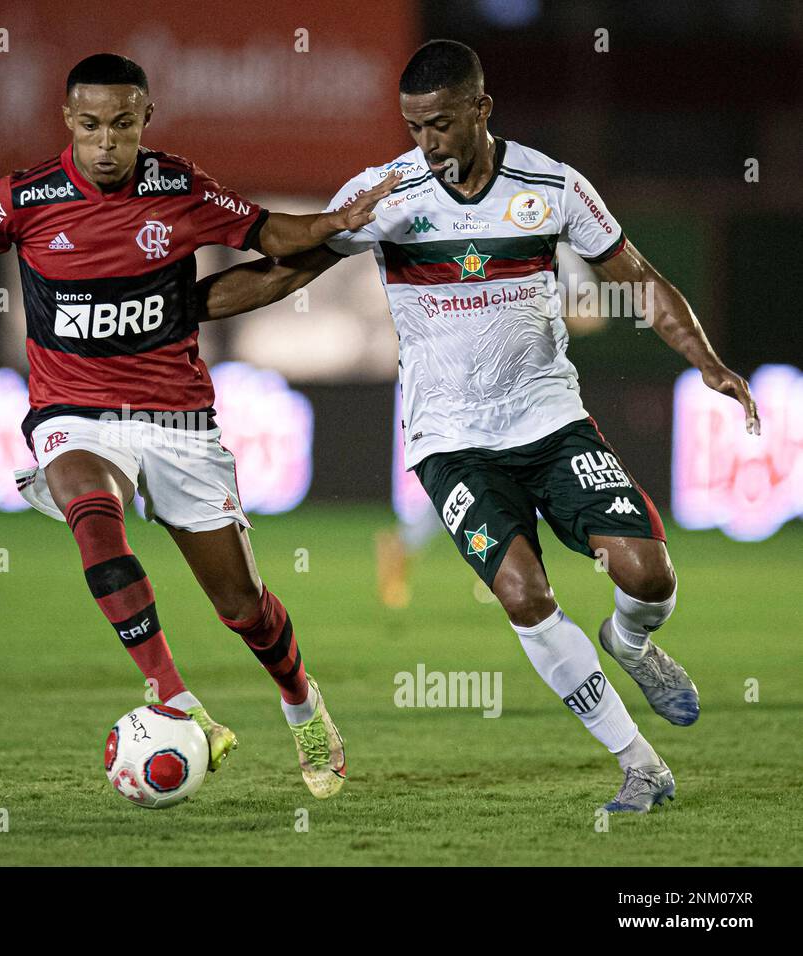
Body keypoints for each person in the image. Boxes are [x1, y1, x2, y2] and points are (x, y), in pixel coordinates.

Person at [196, 40, 760, 813]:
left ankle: (629, 641)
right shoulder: (385, 194)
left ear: (481, 110)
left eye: (440, 124)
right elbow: (284, 272)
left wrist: (707, 360)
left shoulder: (552, 185)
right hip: (450, 443)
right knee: (524, 593)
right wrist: (182, 308)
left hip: (552, 423)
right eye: (413, 126)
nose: (426, 143)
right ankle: (641, 765)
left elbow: (640, 279)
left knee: (647, 575)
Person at [0, 54, 390, 798]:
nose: (107, 143)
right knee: (92, 514)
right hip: (73, 414)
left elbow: (269, 235)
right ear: (68, 123)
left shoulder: (177, 187)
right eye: (90, 126)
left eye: (122, 124)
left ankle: (303, 703)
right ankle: (179, 701)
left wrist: (335, 225)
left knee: (241, 606)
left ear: (145, 119)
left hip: (176, 418)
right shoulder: (26, 197)